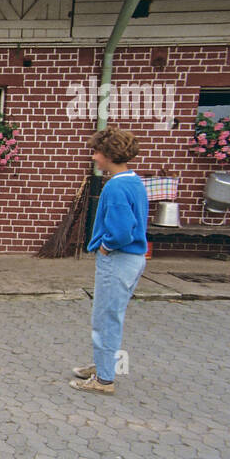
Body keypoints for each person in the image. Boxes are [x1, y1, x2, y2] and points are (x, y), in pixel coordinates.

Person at [72, 127, 149, 394]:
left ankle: (104, 380)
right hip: (132, 260)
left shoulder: (115, 187)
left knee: (105, 319)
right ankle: (102, 364)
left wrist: (105, 246)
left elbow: (122, 230)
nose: (94, 157)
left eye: (96, 152)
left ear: (108, 154)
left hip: (118, 259)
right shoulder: (133, 181)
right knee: (109, 316)